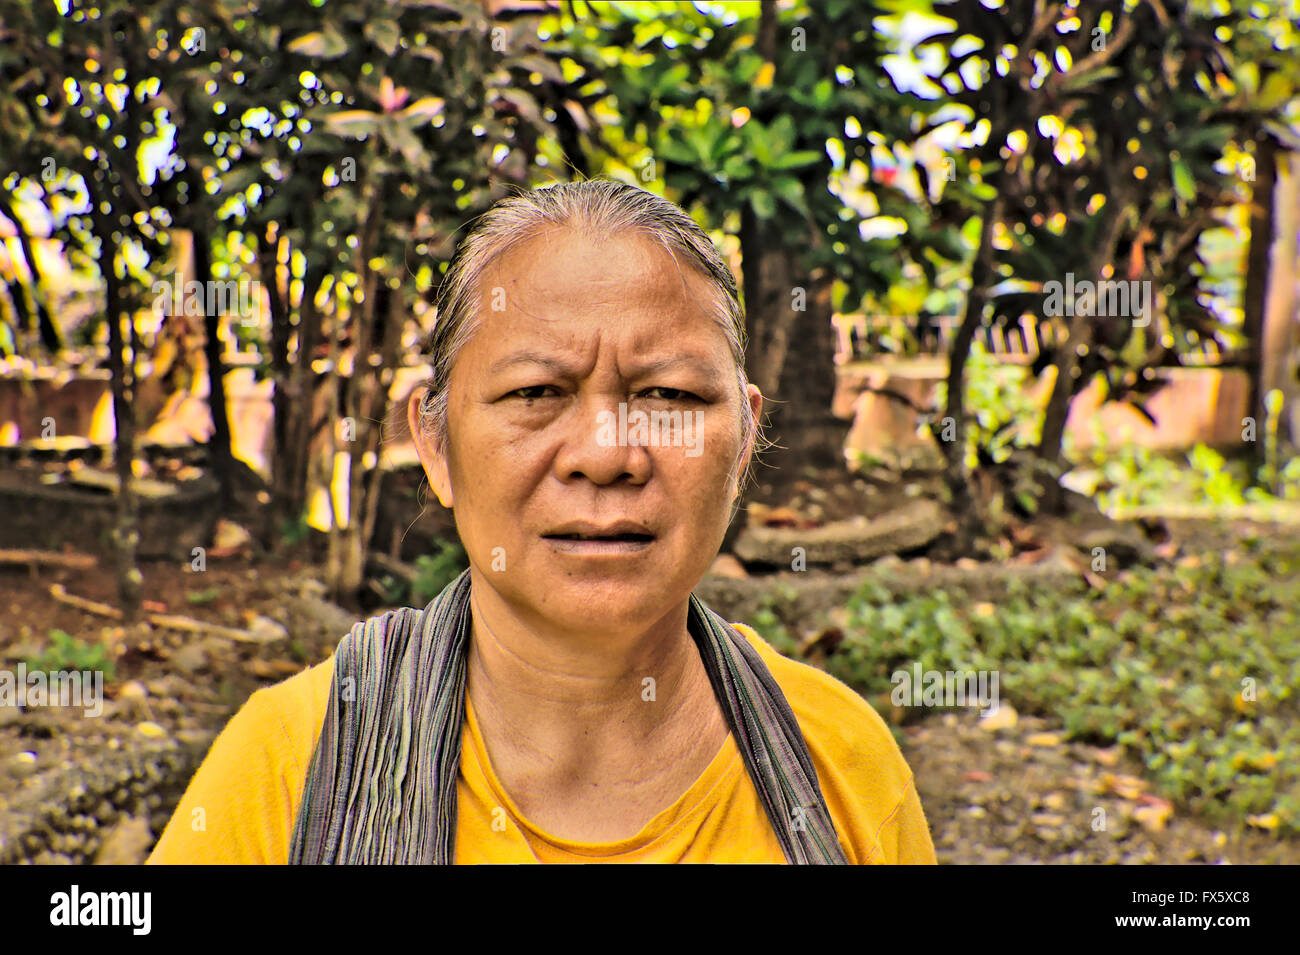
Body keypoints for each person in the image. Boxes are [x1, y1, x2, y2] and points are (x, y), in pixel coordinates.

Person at [147, 178, 936, 864]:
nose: (605, 454)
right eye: (535, 393)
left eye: (668, 396)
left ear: (744, 442)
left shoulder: (844, 767)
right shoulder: (289, 771)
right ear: (436, 445)